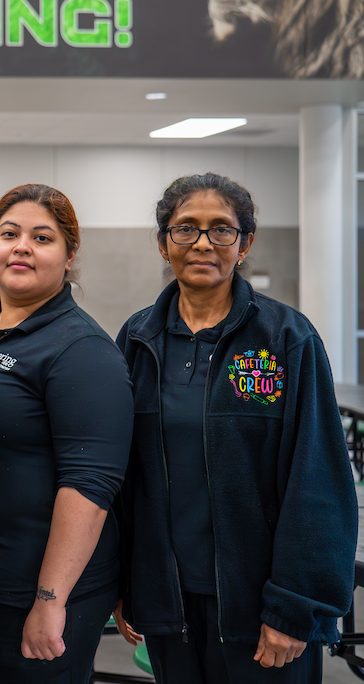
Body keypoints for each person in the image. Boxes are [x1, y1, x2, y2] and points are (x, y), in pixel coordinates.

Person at [113, 172, 356, 683]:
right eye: (185, 229)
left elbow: (318, 478)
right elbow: (120, 474)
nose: (203, 243)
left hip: (260, 606)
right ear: (164, 243)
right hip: (167, 600)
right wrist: (123, 582)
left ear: (244, 244)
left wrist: (295, 605)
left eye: (221, 229)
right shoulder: (137, 338)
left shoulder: (287, 338)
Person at [0, 184, 133, 684]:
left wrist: (50, 601)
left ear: (70, 255)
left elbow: (90, 486)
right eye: (9, 233)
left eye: (42, 237)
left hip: (33, 589)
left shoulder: (82, 350)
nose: (22, 246)